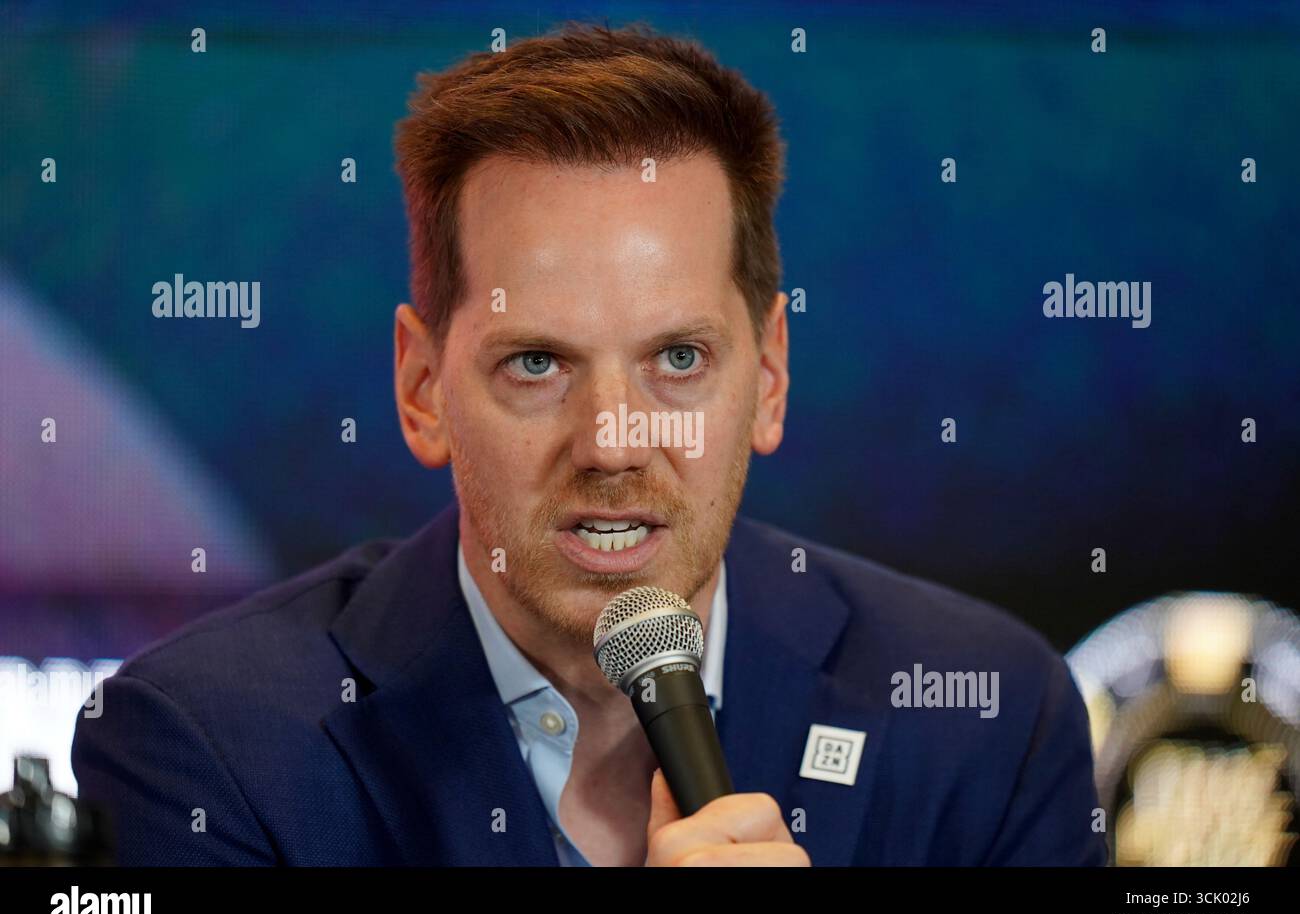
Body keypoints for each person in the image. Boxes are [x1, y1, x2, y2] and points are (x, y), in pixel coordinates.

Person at [72, 22, 1106, 867]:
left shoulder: (987, 720)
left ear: (772, 375)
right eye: (537, 364)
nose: (613, 442)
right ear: (422, 387)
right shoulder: (207, 745)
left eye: (678, 358)